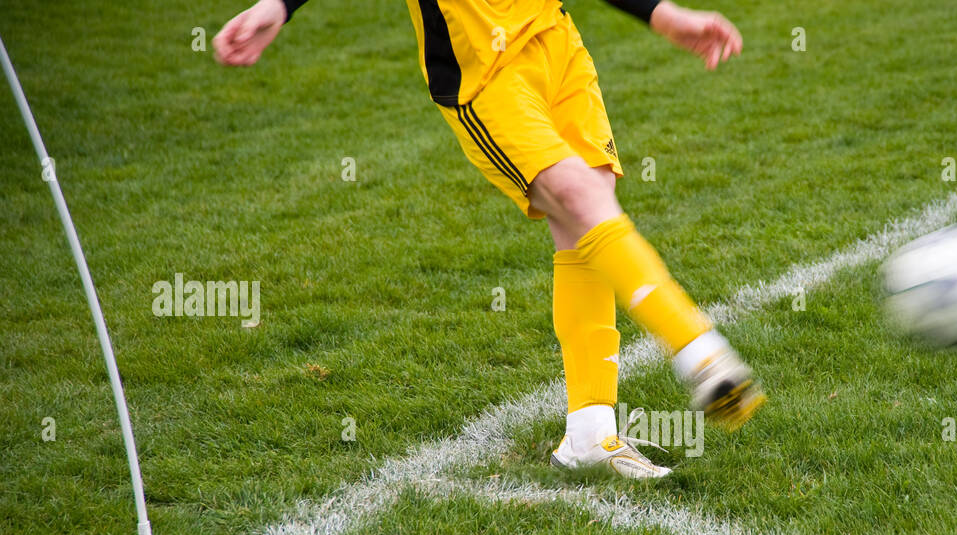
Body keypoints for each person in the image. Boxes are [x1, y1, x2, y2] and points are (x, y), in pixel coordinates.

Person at [215, 0, 765, 479]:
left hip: (554, 39)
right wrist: (278, 4)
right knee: (580, 200)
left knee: (583, 217)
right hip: (483, 66)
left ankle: (590, 435)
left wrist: (663, 15)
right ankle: (702, 354)